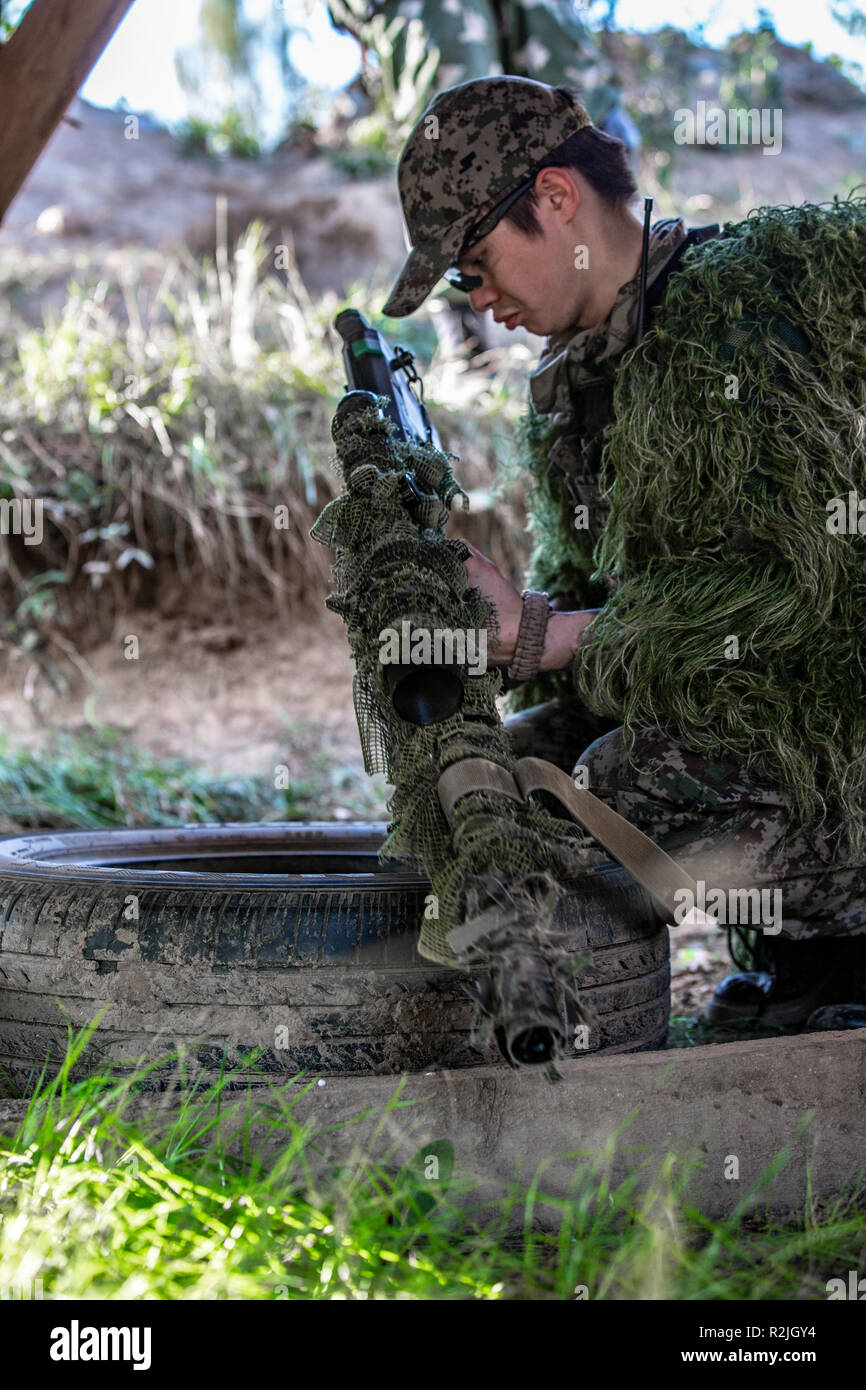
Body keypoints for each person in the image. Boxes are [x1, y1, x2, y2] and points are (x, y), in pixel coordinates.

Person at [380, 74, 866, 1031]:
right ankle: (809, 963)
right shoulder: (584, 377)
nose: (480, 302)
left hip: (831, 716)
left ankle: (842, 944)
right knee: (501, 780)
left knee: (602, 789)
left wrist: (540, 636)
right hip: (734, 708)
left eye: (478, 264)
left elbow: (797, 607)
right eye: (460, 283)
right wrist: (501, 624)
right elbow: (602, 596)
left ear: (557, 199)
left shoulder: (737, 320)